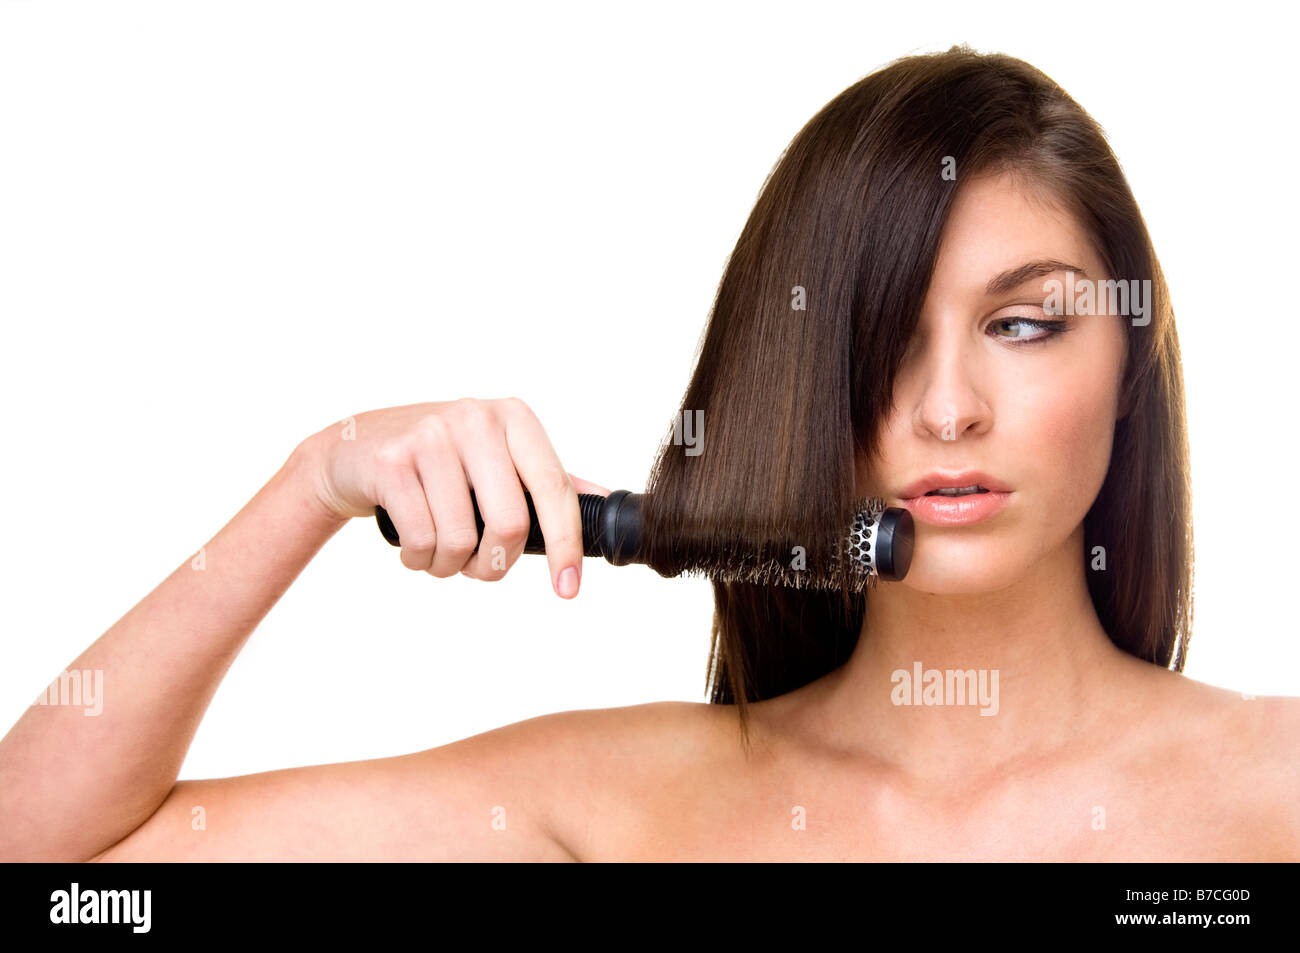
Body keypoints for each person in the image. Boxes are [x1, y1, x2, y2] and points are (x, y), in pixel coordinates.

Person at [2, 46, 1296, 862]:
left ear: (1128, 361)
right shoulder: (609, 800)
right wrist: (314, 481)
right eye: (876, 335)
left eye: (1023, 324)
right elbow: (56, 870)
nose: (948, 406)